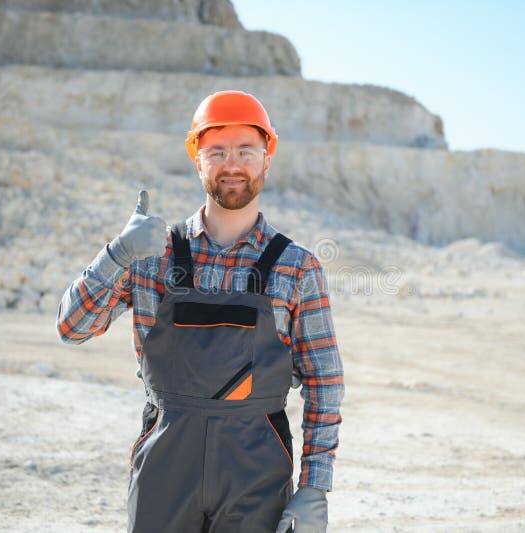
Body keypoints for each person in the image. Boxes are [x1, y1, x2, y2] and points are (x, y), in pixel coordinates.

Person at [57, 90, 344, 533]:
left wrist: (314, 487)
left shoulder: (297, 266)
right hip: (165, 469)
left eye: (247, 151)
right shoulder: (152, 254)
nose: (233, 164)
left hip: (256, 475)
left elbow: (324, 383)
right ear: (198, 161)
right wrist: (116, 254)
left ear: (267, 159)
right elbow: (71, 327)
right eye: (217, 152)